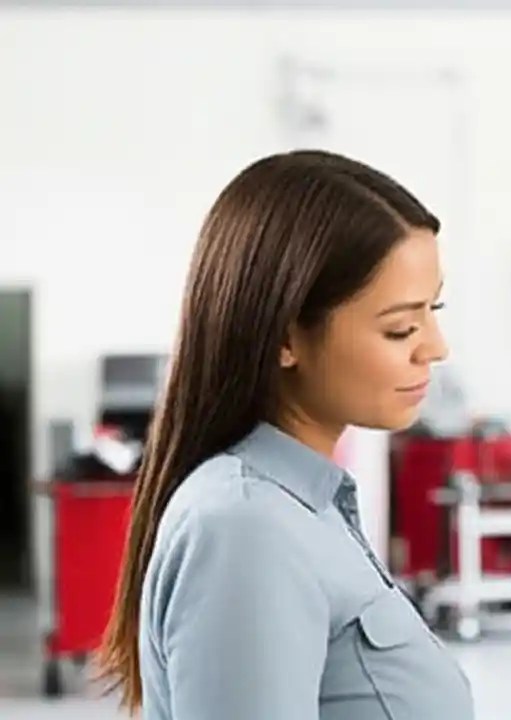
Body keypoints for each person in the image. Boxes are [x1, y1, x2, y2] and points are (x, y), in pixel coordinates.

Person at [97, 150, 473, 719]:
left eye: (434, 310)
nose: (436, 347)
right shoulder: (247, 527)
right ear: (285, 337)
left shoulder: (307, 509)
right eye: (401, 327)